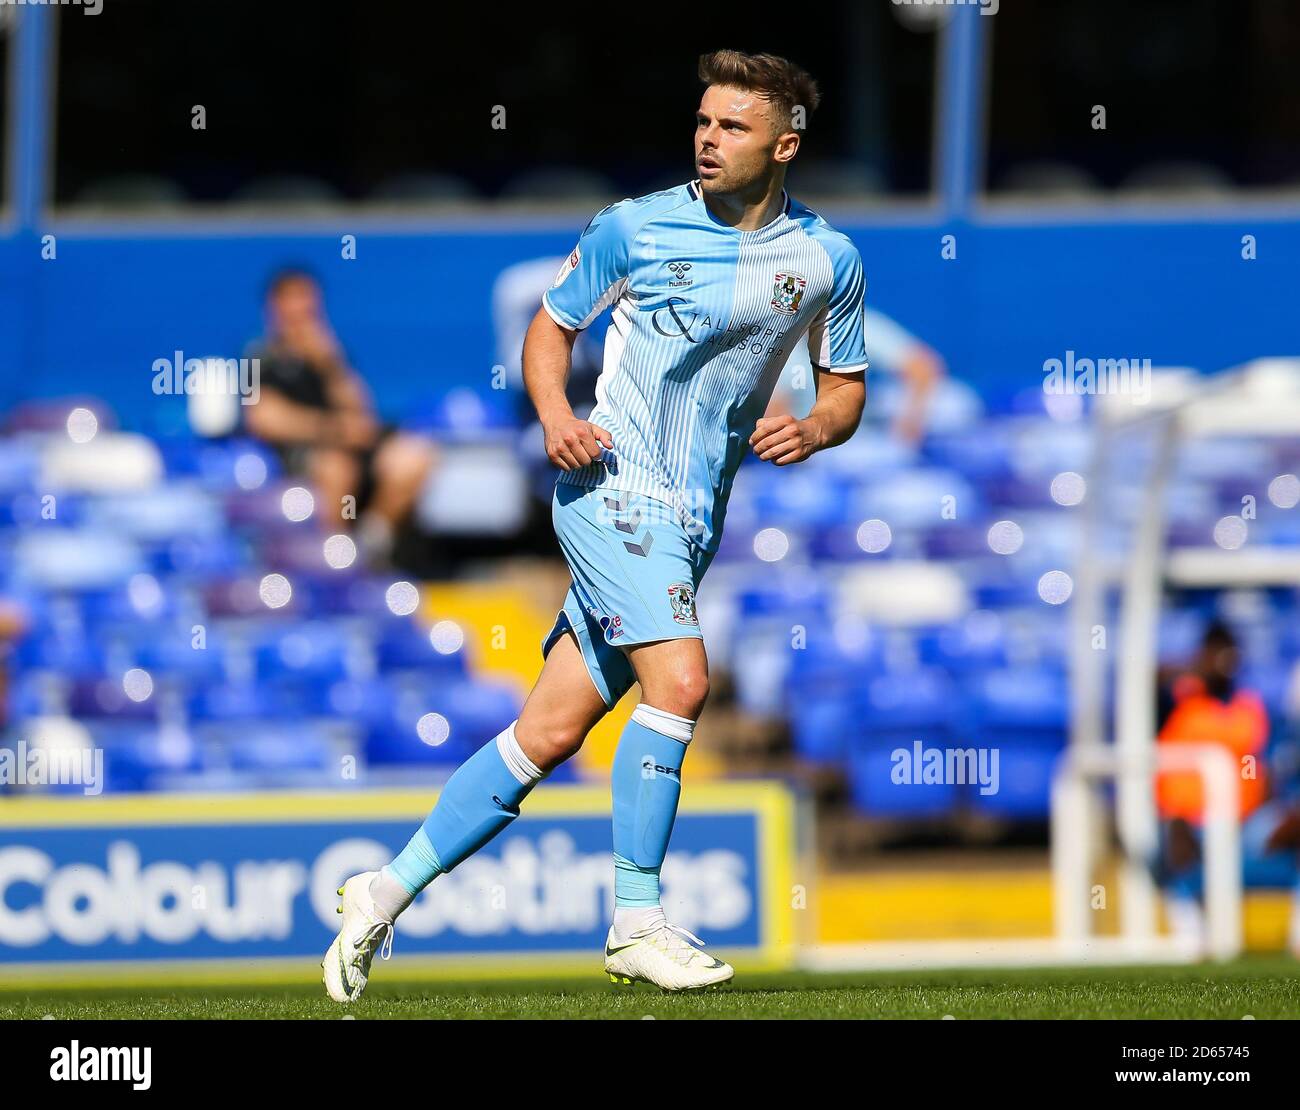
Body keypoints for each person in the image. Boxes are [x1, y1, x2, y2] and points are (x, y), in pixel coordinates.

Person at [323, 49, 869, 999]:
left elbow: (846, 387)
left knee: (549, 731)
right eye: (702, 120)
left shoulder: (827, 259)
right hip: (610, 487)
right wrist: (556, 417)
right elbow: (551, 326)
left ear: (784, 144)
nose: (707, 137)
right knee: (685, 678)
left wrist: (816, 427)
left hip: (694, 516)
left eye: (732, 126)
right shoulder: (635, 226)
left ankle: (380, 890)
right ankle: (636, 918)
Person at [243, 269, 435, 564]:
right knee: (336, 466)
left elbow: (361, 412)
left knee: (413, 455)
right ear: (275, 307)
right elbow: (263, 419)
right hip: (302, 455)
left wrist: (330, 365)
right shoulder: (257, 358)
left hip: (351, 446)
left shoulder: (331, 355)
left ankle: (373, 545)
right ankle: (336, 561)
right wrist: (335, 431)